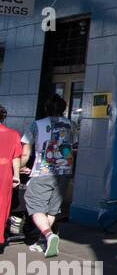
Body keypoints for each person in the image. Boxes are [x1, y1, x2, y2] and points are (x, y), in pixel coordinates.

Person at [20, 94, 76, 258]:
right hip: (64, 171)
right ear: (63, 108)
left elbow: (25, 153)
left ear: (46, 108)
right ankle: (42, 239)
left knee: (35, 206)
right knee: (52, 209)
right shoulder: (72, 125)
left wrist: (21, 167)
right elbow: (72, 146)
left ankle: (49, 235)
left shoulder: (36, 125)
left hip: (42, 172)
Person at [0, 104, 21, 254]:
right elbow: (16, 157)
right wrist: (16, 175)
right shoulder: (13, 134)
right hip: (4, 173)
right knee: (2, 206)